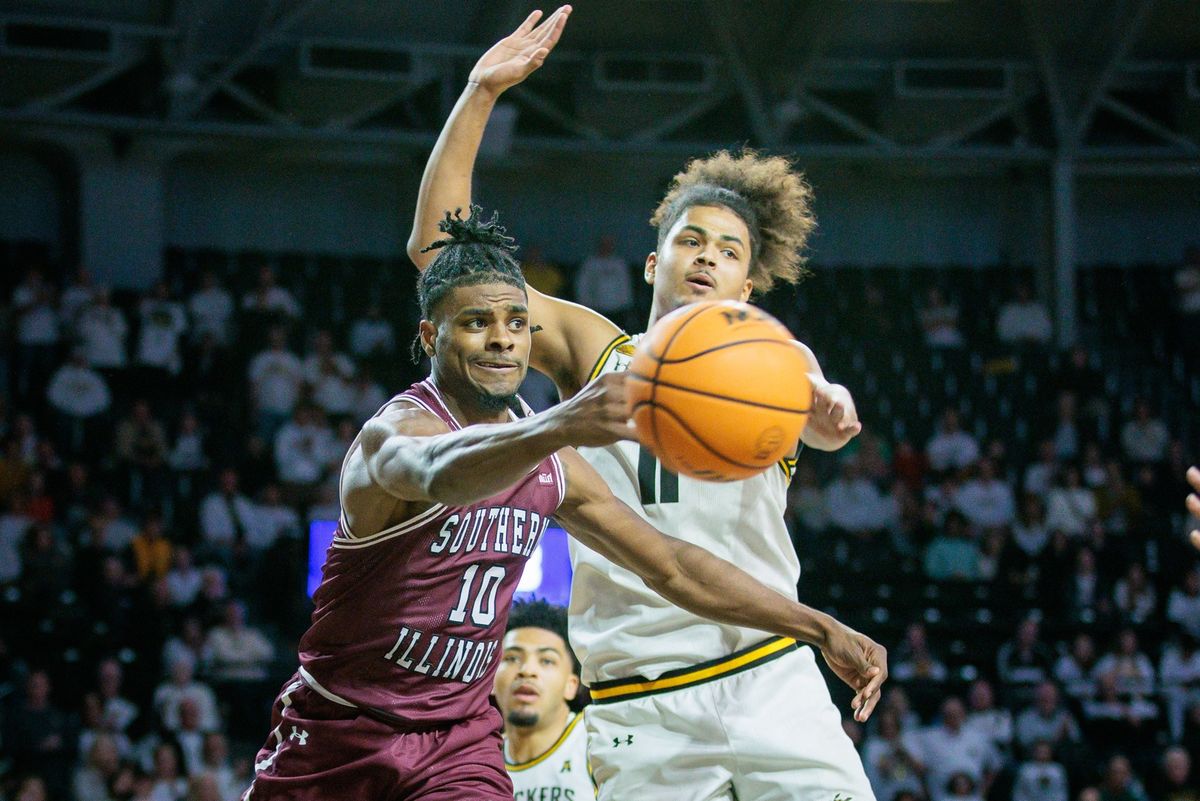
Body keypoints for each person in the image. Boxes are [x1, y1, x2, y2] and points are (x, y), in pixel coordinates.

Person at [407, 9, 885, 800]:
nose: (708, 257)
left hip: (772, 675)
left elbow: (824, 408)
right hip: (640, 699)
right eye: (692, 240)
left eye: (730, 251)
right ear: (653, 260)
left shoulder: (770, 358)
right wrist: (479, 94)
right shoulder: (596, 349)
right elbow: (441, 260)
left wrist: (828, 407)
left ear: (748, 284)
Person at [246, 209, 884, 801]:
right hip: (342, 723)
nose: (502, 340)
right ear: (430, 334)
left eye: (517, 324)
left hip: (458, 738)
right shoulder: (398, 433)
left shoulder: (554, 461)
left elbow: (671, 565)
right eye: (476, 323)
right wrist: (559, 426)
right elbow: (442, 473)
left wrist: (820, 626)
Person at [494, 599, 592, 799]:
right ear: (490, 680)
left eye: (546, 660)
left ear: (571, 685)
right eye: (512, 658)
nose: (527, 671)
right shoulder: (475, 758)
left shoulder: (596, 740)